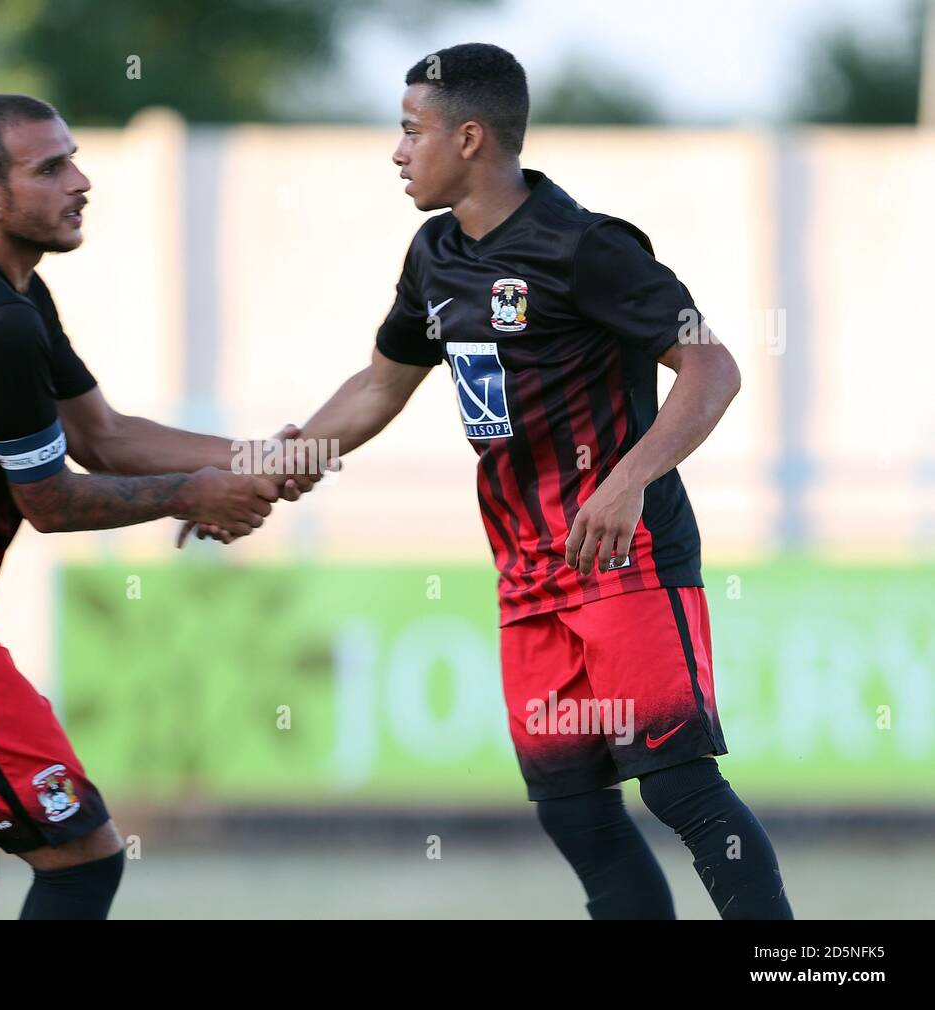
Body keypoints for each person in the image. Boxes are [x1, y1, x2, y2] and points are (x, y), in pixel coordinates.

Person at [186, 44, 791, 920]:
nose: (397, 152)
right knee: (575, 812)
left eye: (410, 132)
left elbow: (713, 367)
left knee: (678, 790)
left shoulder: (591, 247)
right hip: (526, 574)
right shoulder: (434, 254)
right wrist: (262, 474)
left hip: (625, 555)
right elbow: (378, 385)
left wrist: (627, 482)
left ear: (469, 138)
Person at [0, 94, 320, 920]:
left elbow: (104, 435)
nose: (81, 181)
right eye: (50, 168)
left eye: (74, 159)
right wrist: (194, 494)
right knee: (83, 861)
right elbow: (49, 502)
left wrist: (252, 459)